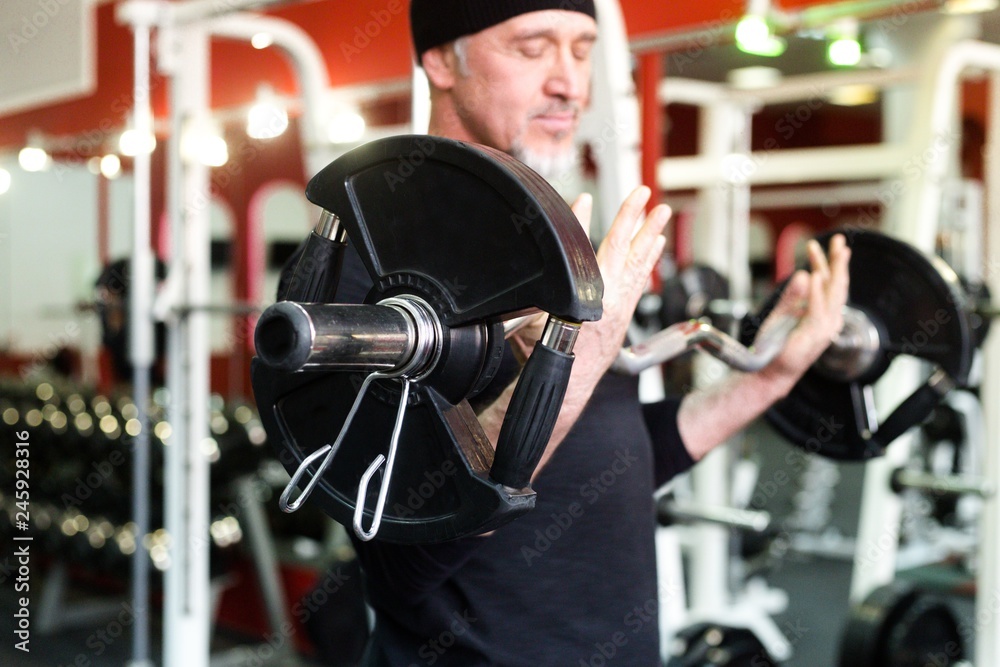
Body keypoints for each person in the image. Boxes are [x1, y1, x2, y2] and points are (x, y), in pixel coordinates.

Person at [332, 2, 852, 665]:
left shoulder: (561, 242)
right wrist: (576, 357)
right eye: (532, 48)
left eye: (582, 50)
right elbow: (398, 563)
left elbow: (614, 458)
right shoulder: (369, 260)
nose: (570, 83)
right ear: (440, 60)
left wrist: (773, 374)